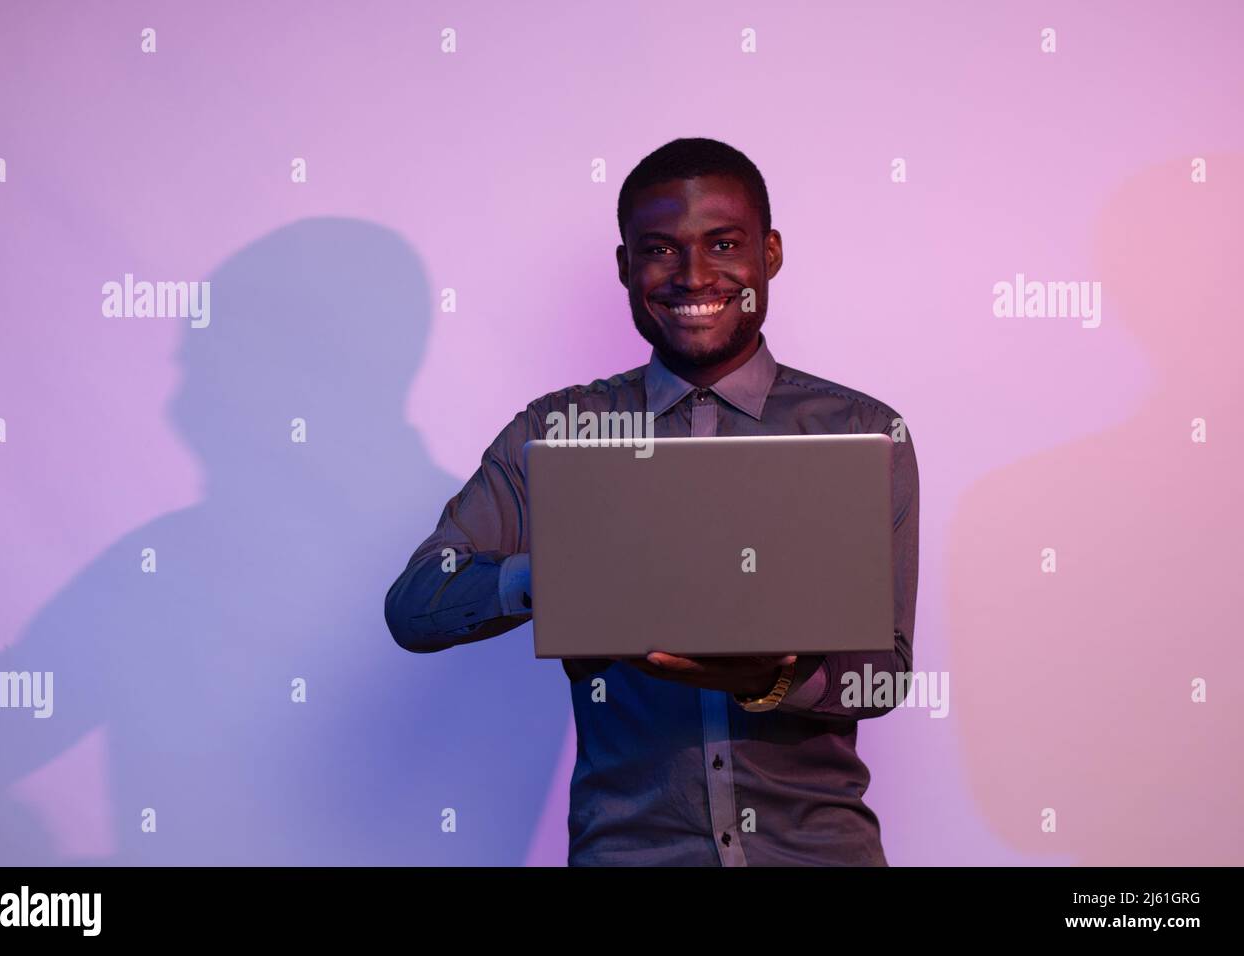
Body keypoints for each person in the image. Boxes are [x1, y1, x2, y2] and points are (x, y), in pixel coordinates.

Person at [386, 137, 920, 866]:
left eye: (724, 243)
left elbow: (883, 675)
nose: (694, 275)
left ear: (769, 253)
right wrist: (562, 576)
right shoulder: (558, 432)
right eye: (661, 250)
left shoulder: (860, 432)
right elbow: (416, 605)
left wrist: (767, 680)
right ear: (625, 266)